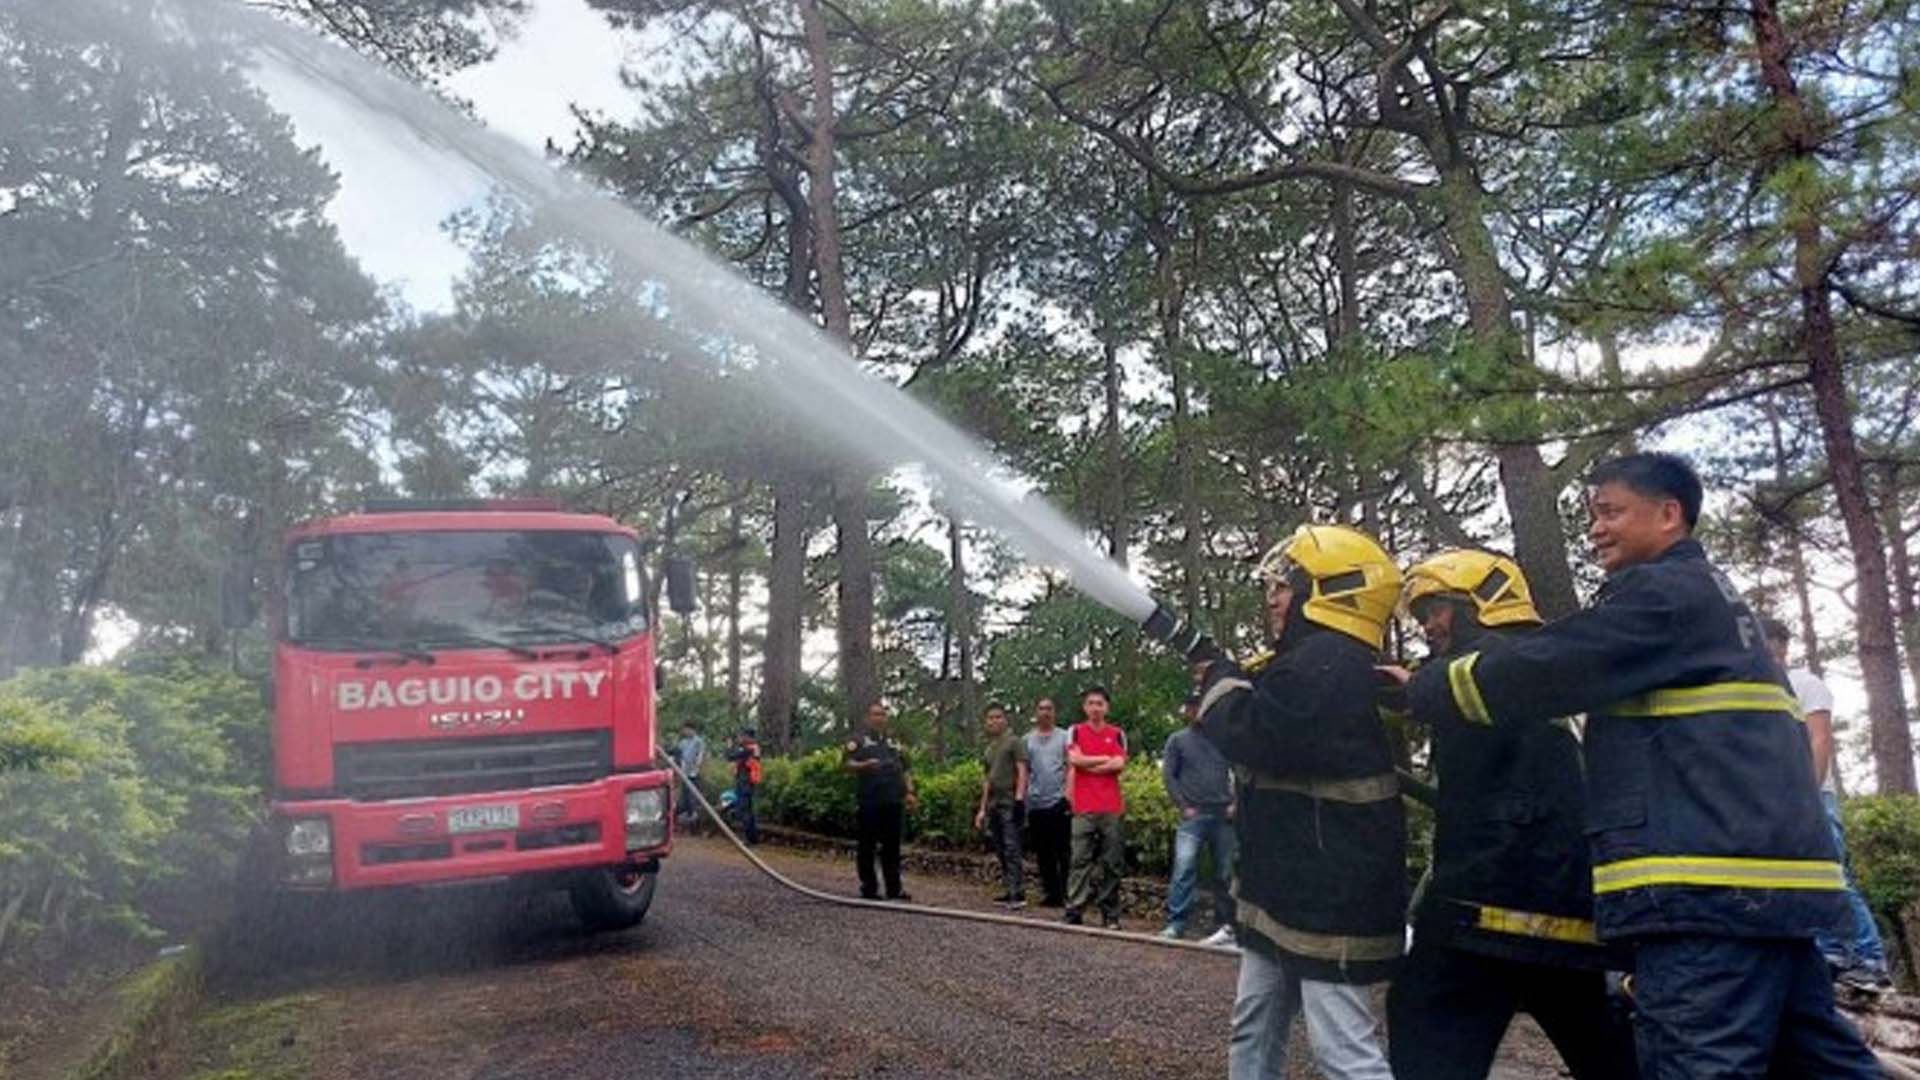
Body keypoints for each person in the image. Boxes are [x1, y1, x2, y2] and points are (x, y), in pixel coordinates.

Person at [1400, 452, 1877, 1077]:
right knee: (1821, 1065)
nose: (1595, 528)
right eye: (1593, 514)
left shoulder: (1664, 597)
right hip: (1769, 897)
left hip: (1705, 899)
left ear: (1668, 514)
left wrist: (1427, 690)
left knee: (1698, 1066)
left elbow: (1553, 664)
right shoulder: (1712, 601)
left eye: (1611, 512)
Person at [1385, 550, 1638, 1080]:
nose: (1429, 626)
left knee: (1423, 1027)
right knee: (1607, 1053)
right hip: (1569, 914)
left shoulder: (1490, 669)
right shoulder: (1540, 668)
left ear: (1477, 604)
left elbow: (1456, 691)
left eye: (1436, 610)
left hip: (1484, 910)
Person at [1195, 522, 1405, 1080]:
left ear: (1330, 592)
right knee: (1254, 1024)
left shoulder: (1327, 664)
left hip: (1329, 894)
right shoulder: (1317, 662)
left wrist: (1217, 679)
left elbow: (1258, 733)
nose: (1273, 598)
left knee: (1341, 1052)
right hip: (1288, 886)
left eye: (1286, 586)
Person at [1763, 617, 1895, 991]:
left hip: (1814, 797)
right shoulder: (1763, 689)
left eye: (1771, 644)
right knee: (1802, 879)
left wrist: (1809, 791)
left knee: (1832, 875)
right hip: (1780, 800)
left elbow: (1820, 739)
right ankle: (1832, 953)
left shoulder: (1806, 684)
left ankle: (1869, 957)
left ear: (1783, 647)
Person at [1159, 693, 1236, 946]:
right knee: (1184, 869)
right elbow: (1169, 776)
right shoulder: (1177, 740)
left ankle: (1225, 925)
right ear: (1187, 711)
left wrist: (1236, 803)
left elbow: (1239, 772)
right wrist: (1183, 805)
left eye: (1202, 707)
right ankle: (1176, 923)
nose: (1198, 712)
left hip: (1223, 814)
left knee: (1226, 872)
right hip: (1194, 814)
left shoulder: (1224, 740)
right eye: (1193, 708)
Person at [1064, 686, 1127, 929]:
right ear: (1084, 707)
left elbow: (1119, 764)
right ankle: (1075, 908)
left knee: (1112, 862)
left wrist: (1088, 763)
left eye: (1099, 703)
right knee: (1080, 859)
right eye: (1091, 703)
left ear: (1106, 707)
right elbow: (1074, 760)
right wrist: (1104, 760)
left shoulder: (1118, 733)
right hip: (1083, 805)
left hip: (1111, 806)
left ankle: (1110, 914)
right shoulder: (1076, 732)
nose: (1095, 708)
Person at [843, 701, 916, 901]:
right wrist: (864, 765)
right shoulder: (857, 740)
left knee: (892, 846)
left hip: (893, 799)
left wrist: (910, 792)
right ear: (868, 717)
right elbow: (846, 764)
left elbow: (906, 768)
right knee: (867, 845)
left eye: (882, 714)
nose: (879, 718)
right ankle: (869, 887)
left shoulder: (894, 742)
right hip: (869, 800)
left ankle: (894, 888)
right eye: (875, 714)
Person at [973, 702, 1029, 909]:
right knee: (1000, 848)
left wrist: (1020, 798)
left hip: (1010, 802)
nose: (995, 721)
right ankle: (1009, 888)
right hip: (994, 804)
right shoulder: (989, 749)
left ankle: (1018, 892)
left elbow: (1022, 769)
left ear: (1005, 720)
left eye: (998, 717)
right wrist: (982, 808)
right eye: (991, 718)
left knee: (1012, 847)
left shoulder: (1014, 742)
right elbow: (987, 779)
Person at [1023, 697, 1072, 907]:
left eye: (1049, 709)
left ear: (1054, 712)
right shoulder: (1027, 739)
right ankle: (1051, 894)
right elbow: (1024, 771)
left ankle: (1067, 893)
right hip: (1035, 803)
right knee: (1043, 853)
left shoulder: (1064, 737)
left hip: (1059, 801)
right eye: (1041, 709)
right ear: (1036, 712)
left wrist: (1068, 796)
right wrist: (1023, 798)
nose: (1045, 712)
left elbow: (1070, 766)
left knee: (1063, 850)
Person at [724, 727, 762, 844]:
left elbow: (731, 756)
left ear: (748, 737)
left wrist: (729, 746)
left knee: (743, 810)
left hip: (746, 783)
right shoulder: (749, 748)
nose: (740, 738)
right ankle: (753, 838)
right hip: (745, 782)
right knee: (748, 810)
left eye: (742, 736)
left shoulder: (750, 749)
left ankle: (750, 838)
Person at [673, 721, 707, 824]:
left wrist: (698, 766)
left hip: (694, 773)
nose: (685, 732)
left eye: (687, 729)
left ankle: (694, 816)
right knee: (685, 796)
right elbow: (677, 755)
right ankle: (688, 816)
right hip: (684, 773)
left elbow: (700, 756)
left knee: (693, 796)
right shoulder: (682, 742)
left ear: (692, 730)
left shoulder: (698, 742)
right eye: (684, 730)